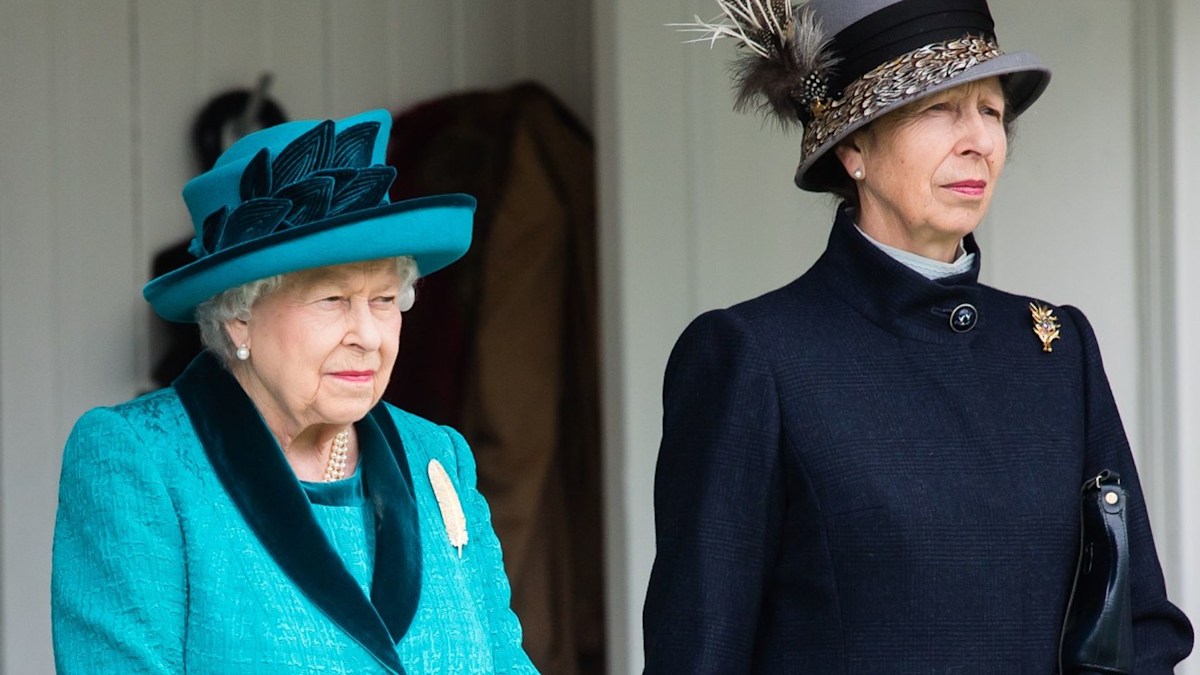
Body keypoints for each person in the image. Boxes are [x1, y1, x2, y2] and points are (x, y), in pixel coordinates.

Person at [644, 0, 1193, 672]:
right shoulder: (753, 357)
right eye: (938, 108)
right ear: (853, 148)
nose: (980, 140)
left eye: (991, 111)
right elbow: (697, 651)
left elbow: (1137, 630)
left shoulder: (1055, 349)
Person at [51, 108, 537, 674]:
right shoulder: (141, 462)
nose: (369, 337)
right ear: (240, 317)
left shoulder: (438, 458)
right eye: (332, 300)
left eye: (385, 300)